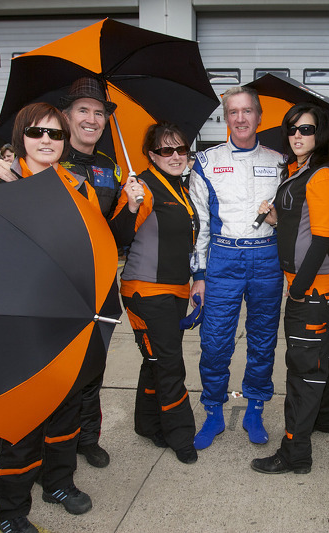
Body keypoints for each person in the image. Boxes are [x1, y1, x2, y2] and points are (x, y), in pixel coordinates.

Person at [0, 102, 136, 533]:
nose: (47, 141)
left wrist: (129, 207)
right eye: (37, 134)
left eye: (55, 134)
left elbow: (102, 243)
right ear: (21, 139)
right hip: (23, 322)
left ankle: (58, 481)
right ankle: (11, 510)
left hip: (74, 318)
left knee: (66, 410)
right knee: (23, 418)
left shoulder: (79, 184)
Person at [188, 86, 285, 450]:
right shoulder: (207, 162)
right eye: (234, 112)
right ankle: (213, 410)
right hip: (223, 259)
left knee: (262, 339)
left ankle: (255, 407)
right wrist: (199, 275)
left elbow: (289, 217)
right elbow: (200, 225)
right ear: (225, 117)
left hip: (266, 259)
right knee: (214, 342)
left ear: (259, 117)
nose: (241, 118)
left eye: (248, 111)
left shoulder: (279, 161)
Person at [250, 103, 329, 475]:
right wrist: (275, 218)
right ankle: (325, 417)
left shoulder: (322, 176)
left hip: (314, 285)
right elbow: (299, 225)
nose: (297, 135)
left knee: (302, 365)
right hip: (308, 281)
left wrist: (299, 290)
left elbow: (322, 239)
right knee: (318, 353)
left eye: (305, 129)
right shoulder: (300, 172)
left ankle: (295, 452)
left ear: (319, 134)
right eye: (292, 129)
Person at [112, 122, 200, 465]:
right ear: (151, 155)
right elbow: (118, 235)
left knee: (155, 360)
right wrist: (131, 205)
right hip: (146, 291)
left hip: (176, 290)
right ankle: (181, 435)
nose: (176, 155)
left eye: (181, 149)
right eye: (166, 150)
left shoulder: (181, 187)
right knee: (169, 365)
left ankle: (147, 423)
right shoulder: (142, 187)